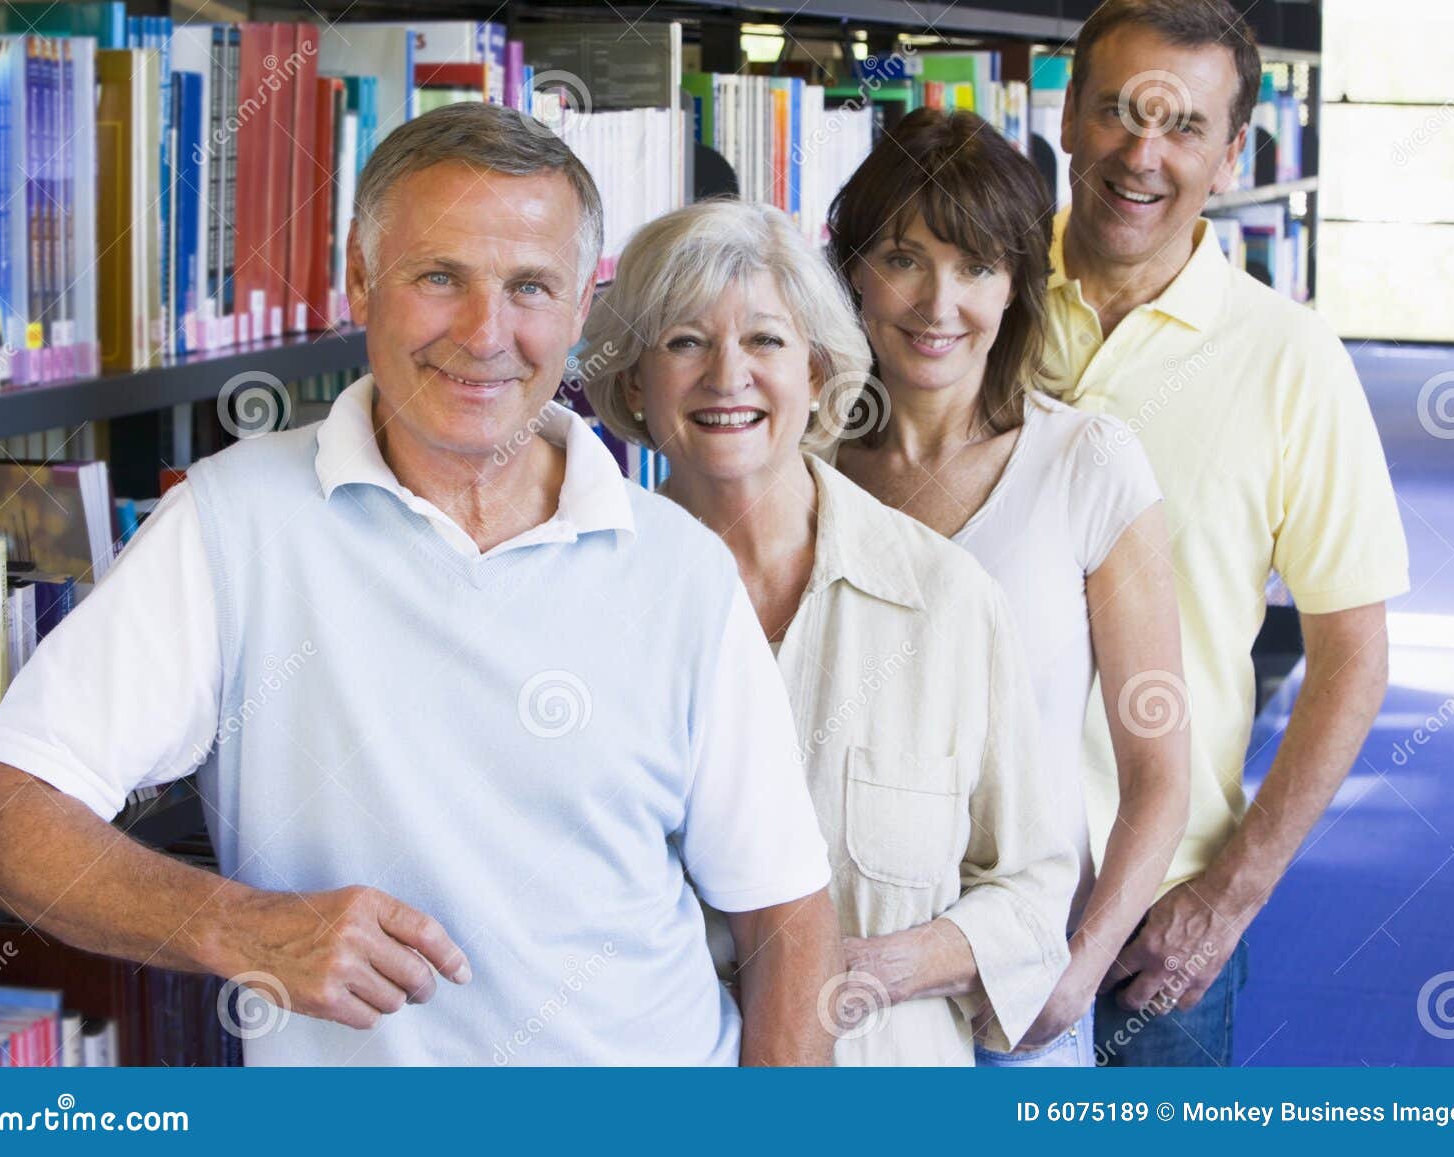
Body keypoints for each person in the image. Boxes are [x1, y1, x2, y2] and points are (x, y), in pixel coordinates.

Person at [0, 103, 843, 1067]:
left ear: (582, 308)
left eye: (530, 286)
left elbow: (785, 915)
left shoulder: (680, 568)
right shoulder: (232, 522)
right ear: (362, 280)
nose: (486, 332)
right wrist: (238, 927)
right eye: (440, 277)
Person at [582, 199, 1077, 1065]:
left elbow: (1034, 894)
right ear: (633, 385)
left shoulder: (946, 602)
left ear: (817, 373)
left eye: (766, 342)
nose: (727, 376)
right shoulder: (583, 607)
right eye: (685, 342)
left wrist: (849, 973)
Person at [1047, 0, 1408, 1064]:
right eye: (1116, 110)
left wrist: (1226, 895)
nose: (1140, 154)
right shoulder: (966, 310)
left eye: (1183, 126)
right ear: (1065, 117)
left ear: (1230, 152)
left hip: (1151, 919)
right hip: (946, 898)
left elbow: (1353, 654)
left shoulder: (1288, 357)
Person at [827, 108, 1190, 1067]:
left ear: (1019, 284)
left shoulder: (1088, 463)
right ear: (854, 268)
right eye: (905, 258)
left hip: (1007, 997)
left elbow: (1158, 777)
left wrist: (1075, 973)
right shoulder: (797, 465)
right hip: (831, 982)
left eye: (978, 266)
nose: (938, 303)